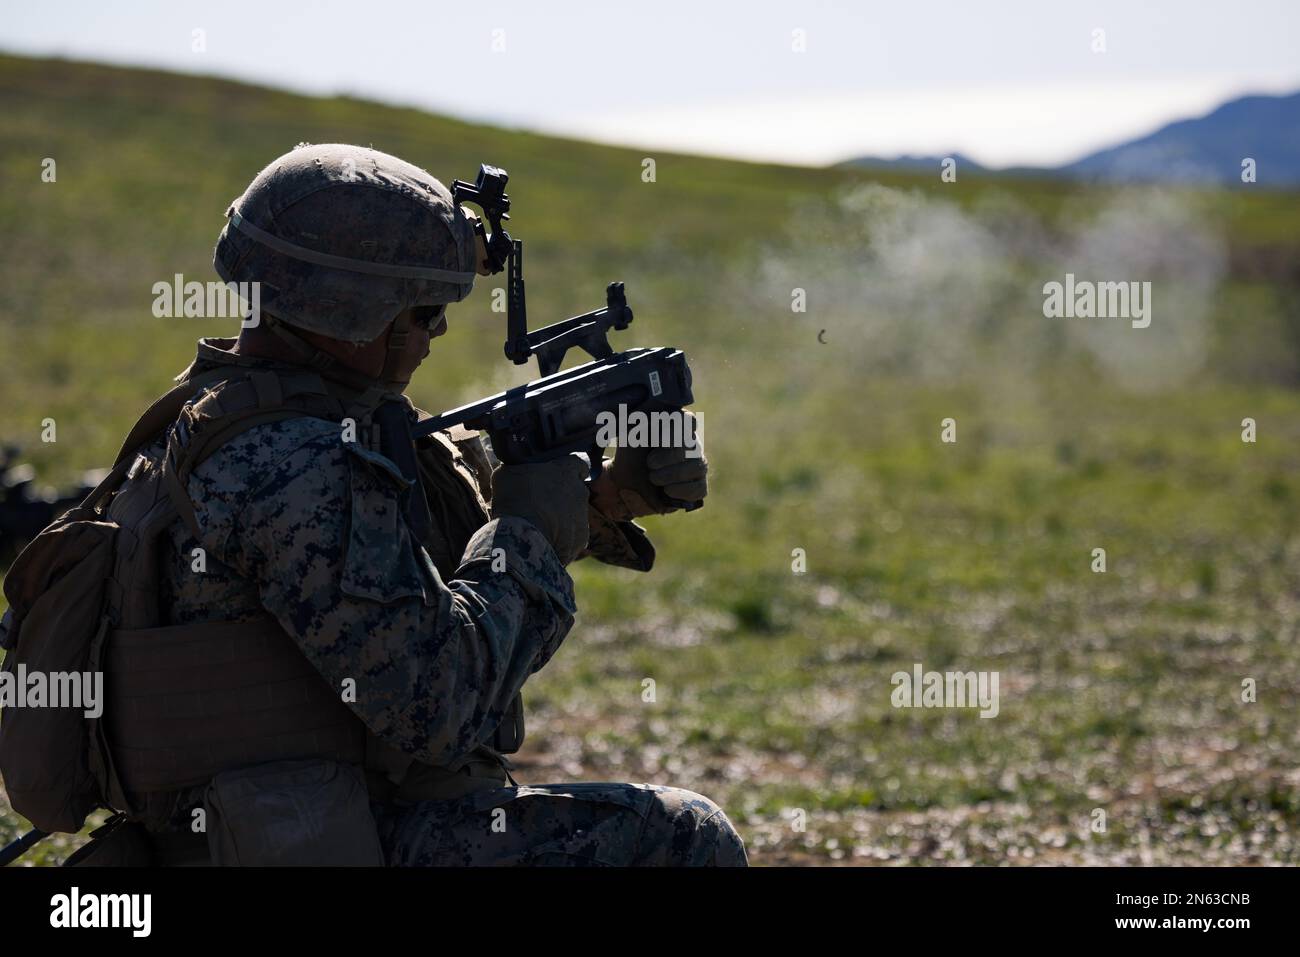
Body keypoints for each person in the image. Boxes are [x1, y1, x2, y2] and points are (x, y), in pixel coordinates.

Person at [98, 143, 746, 866]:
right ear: (352, 307)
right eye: (426, 308)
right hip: (292, 839)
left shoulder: (243, 410)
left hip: (281, 821)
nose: (438, 331)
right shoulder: (292, 461)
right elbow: (439, 704)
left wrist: (601, 502)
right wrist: (527, 534)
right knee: (684, 838)